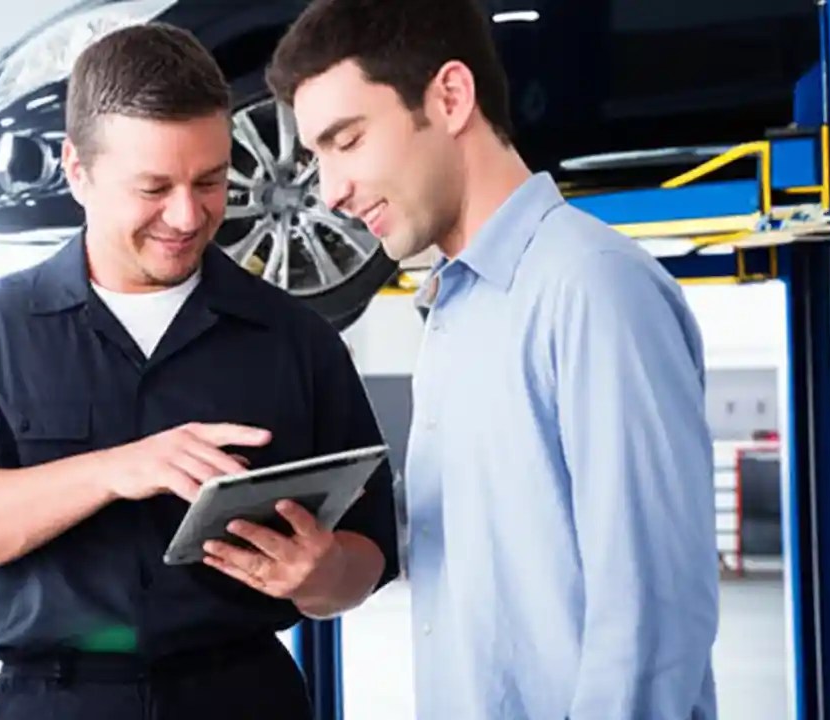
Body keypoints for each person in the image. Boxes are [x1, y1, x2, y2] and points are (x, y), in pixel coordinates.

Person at [0, 22, 400, 720]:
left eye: (210, 181)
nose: (187, 215)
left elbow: (366, 558)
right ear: (78, 172)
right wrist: (112, 470)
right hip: (53, 701)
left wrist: (322, 574)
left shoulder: (297, 341)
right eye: (153, 187)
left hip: (246, 696)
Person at [267, 0, 720, 718]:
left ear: (450, 97)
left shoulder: (590, 288)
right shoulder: (458, 310)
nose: (330, 193)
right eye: (318, 158)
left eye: (346, 141)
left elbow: (649, 617)